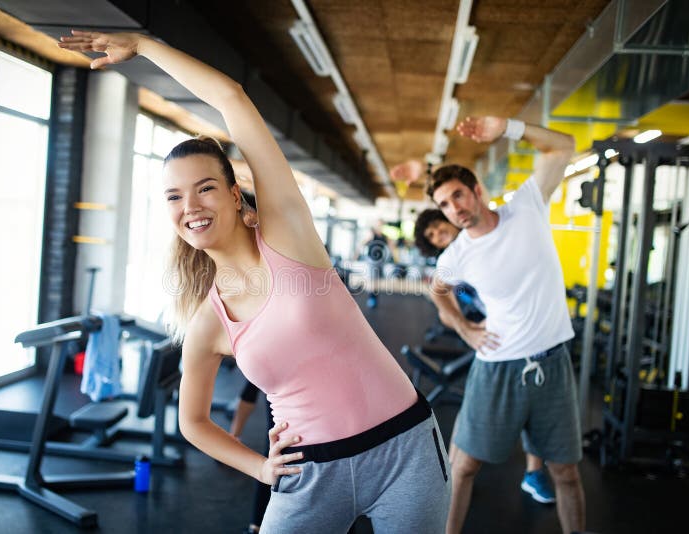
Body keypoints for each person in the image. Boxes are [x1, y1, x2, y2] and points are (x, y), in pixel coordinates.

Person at [58, 30, 450, 533]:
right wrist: (259, 467)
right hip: (308, 473)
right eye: (174, 197)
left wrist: (145, 45)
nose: (191, 206)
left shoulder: (287, 235)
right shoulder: (206, 322)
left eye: (205, 188)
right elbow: (192, 422)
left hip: (406, 452)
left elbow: (231, 99)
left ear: (237, 198)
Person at [427, 116, 584, 534]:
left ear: (477, 190)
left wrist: (509, 127)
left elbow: (564, 145)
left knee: (566, 472)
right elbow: (437, 291)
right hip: (497, 365)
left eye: (458, 195)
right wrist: (465, 329)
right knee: (463, 467)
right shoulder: (456, 255)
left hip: (552, 363)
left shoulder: (527, 206)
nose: (454, 208)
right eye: (444, 204)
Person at [413, 208, 557, 504]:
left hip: (529, 332)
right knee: (472, 411)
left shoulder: (485, 242)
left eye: (440, 228)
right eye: (433, 237)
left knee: (533, 404)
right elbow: (444, 310)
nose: (440, 236)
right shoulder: (451, 263)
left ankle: (533, 472)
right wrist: (469, 327)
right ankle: (451, 477)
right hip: (493, 340)